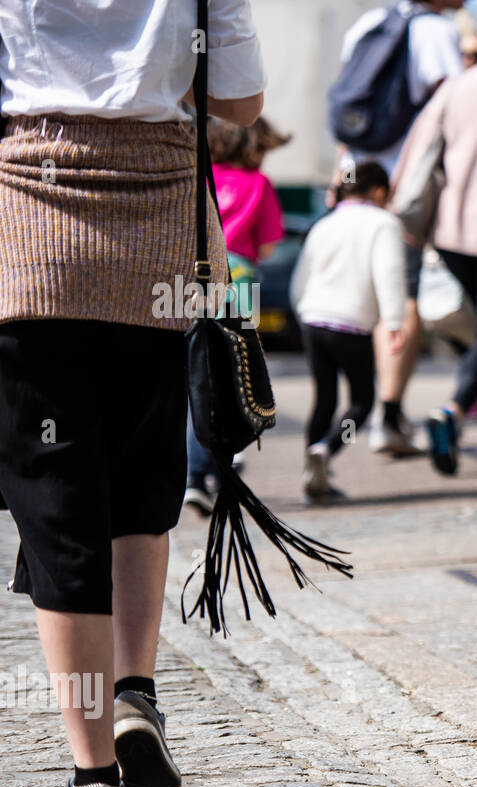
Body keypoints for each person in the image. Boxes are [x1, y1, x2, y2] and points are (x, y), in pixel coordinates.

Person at [0, 0, 264, 787]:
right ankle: (133, 690)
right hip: (164, 239)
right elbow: (241, 103)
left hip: (33, 232)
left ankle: (91, 781)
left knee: (57, 501)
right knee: (144, 466)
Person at [329, 0, 465, 457]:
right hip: (401, 193)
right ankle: (386, 415)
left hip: (355, 183)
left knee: (364, 297)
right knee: (401, 296)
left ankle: (358, 412)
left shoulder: (369, 24)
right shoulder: (434, 32)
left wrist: (340, 177)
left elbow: (348, 113)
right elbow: (452, 113)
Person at [390, 11, 477, 475]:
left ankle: (462, 408)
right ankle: (455, 409)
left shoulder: (458, 86)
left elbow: (414, 157)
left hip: (453, 230)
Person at [184, 115, 290, 516]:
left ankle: (193, 474)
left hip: (190, 279)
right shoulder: (259, 184)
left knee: (191, 376)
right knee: (228, 377)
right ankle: (213, 465)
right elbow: (267, 246)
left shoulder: (197, 175)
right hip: (239, 281)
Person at [290, 161, 407, 504]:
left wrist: (303, 311)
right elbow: (389, 272)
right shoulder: (383, 223)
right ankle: (327, 449)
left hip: (313, 319)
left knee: (323, 398)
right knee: (361, 401)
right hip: (352, 324)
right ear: (379, 192)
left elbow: (302, 275)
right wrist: (395, 320)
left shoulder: (324, 224)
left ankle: (312, 466)